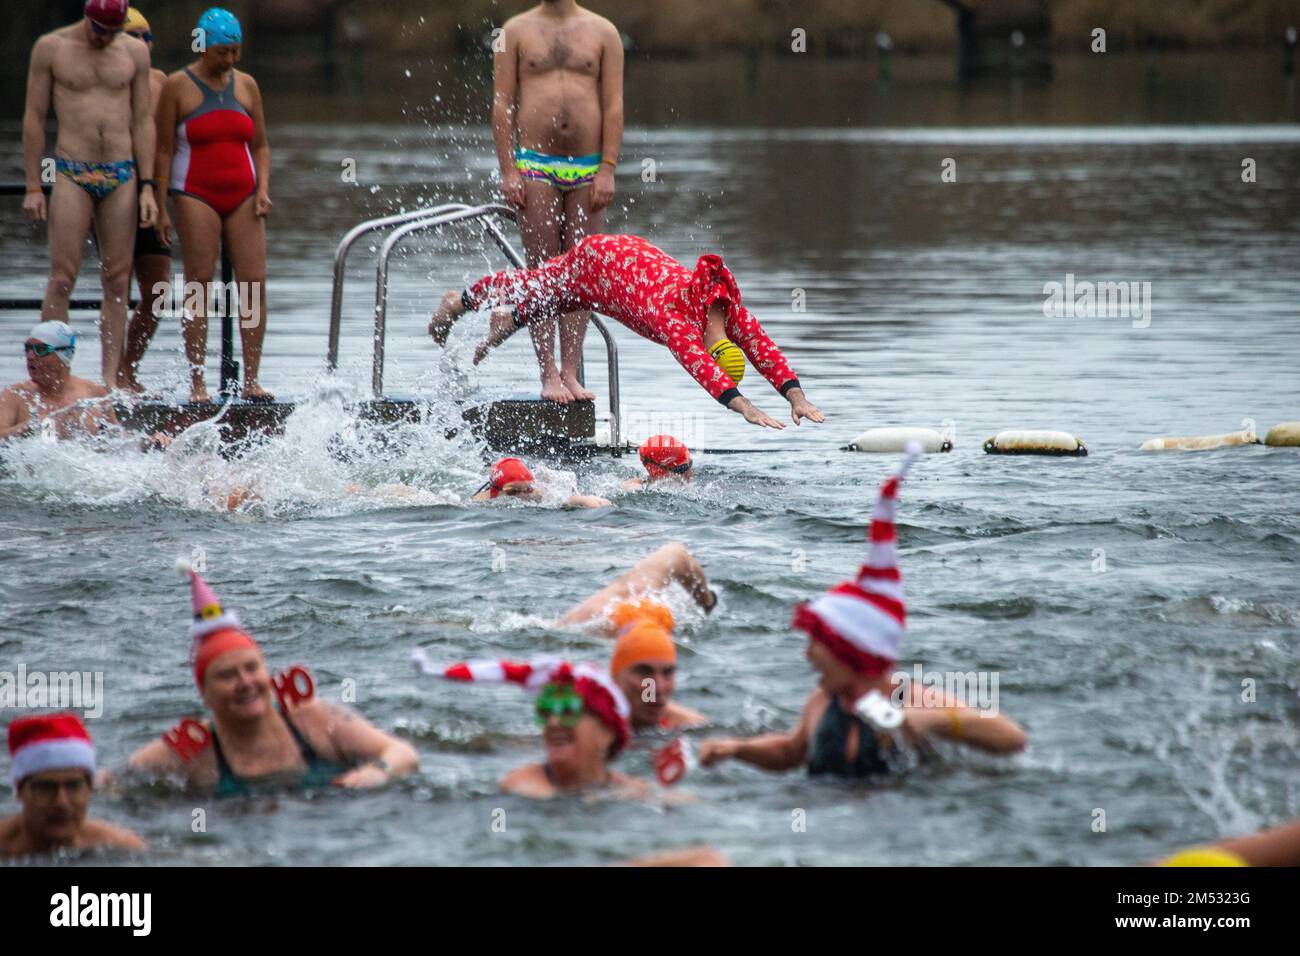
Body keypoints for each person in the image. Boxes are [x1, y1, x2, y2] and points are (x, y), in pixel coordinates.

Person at [697, 446, 1027, 778]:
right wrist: (738, 749)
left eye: (817, 643)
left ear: (851, 649)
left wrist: (926, 720)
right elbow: (791, 751)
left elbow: (1012, 739)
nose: (808, 655)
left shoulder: (904, 695)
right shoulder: (823, 699)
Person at [428, 234, 825, 429]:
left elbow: (764, 349)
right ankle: (459, 302)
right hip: (599, 261)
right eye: (706, 347)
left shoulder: (731, 310)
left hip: (627, 273)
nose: (703, 349)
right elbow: (703, 371)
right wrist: (746, 408)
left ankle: (509, 322)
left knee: (563, 300)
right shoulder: (677, 320)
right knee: (536, 285)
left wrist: (796, 397)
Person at [127, 561, 418, 794]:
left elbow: (401, 752)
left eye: (252, 668)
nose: (245, 682)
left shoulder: (313, 719)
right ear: (204, 692)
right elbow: (114, 781)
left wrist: (378, 771)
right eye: (227, 675)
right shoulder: (193, 753)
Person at [21, 0, 159, 388]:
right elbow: (34, 115)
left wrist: (148, 186)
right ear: (87, 18)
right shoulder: (52, 48)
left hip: (121, 172)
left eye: (112, 32)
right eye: (99, 30)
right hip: (72, 170)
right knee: (62, 278)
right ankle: (51, 378)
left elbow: (142, 119)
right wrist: (34, 183)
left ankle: (109, 379)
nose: (104, 39)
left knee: (118, 280)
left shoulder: (132, 52)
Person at [494, 0, 624, 404]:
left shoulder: (604, 31)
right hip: (534, 164)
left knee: (582, 273)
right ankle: (547, 372)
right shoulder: (512, 31)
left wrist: (608, 167)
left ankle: (570, 369)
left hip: (588, 167)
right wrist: (508, 169)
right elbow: (502, 104)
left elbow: (613, 105)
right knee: (543, 270)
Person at [154, 8, 273, 403]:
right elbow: (164, 149)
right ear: (203, 46)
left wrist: (263, 190)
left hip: (244, 193)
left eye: (236, 51)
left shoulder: (248, 86)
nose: (231, 60)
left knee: (253, 284)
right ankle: (198, 381)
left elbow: (260, 146)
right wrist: (159, 202)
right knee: (199, 283)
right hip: (194, 193)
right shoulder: (177, 86)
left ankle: (252, 378)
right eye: (223, 52)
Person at [413, 654, 644, 799]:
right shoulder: (523, 786)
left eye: (568, 711)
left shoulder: (634, 792)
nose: (553, 722)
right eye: (545, 712)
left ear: (607, 733)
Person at [118, 7, 172, 394]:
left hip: (151, 196)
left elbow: (170, 144)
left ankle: (127, 368)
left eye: (146, 37)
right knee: (116, 284)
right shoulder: (104, 83)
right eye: (132, 37)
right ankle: (112, 375)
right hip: (113, 193)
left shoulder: (161, 83)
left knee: (158, 289)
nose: (141, 45)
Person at [1, 713, 145, 859]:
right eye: (46, 788)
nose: (61, 802)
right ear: (19, 791)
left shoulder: (122, 847)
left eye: (73, 786)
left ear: (90, 790)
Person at [0, 322, 118, 441]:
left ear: (64, 354)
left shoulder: (94, 394)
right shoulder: (15, 395)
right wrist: (29, 428)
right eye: (28, 348)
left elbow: (117, 440)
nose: (30, 356)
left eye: (40, 350)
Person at [607, 602, 707, 732]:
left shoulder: (689, 726)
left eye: (667, 673)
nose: (657, 689)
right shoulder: (587, 725)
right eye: (645, 672)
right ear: (615, 678)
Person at [471, 455, 610, 507]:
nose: (521, 494)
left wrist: (584, 500)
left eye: (527, 488)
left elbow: (561, 498)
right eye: (512, 491)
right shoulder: (479, 502)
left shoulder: (533, 493)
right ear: (495, 490)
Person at [621, 434, 693, 491]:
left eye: (690, 463)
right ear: (659, 471)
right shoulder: (638, 490)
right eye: (682, 469)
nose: (690, 473)